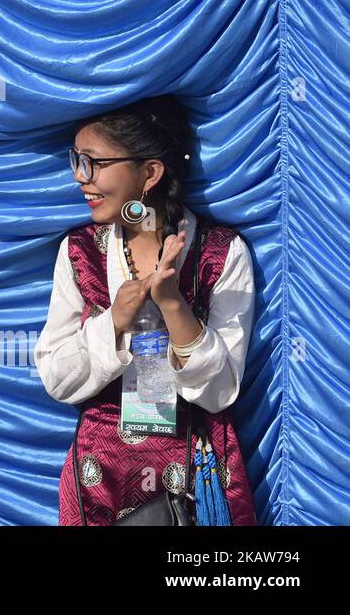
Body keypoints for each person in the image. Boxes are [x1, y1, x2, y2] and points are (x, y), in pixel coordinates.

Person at [35, 95, 257, 524]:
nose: (81, 179)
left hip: (196, 478)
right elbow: (57, 378)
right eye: (76, 162)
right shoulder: (79, 253)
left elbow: (219, 392)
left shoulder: (220, 253)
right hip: (98, 480)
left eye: (94, 163)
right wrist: (115, 320)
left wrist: (174, 305)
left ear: (149, 173)